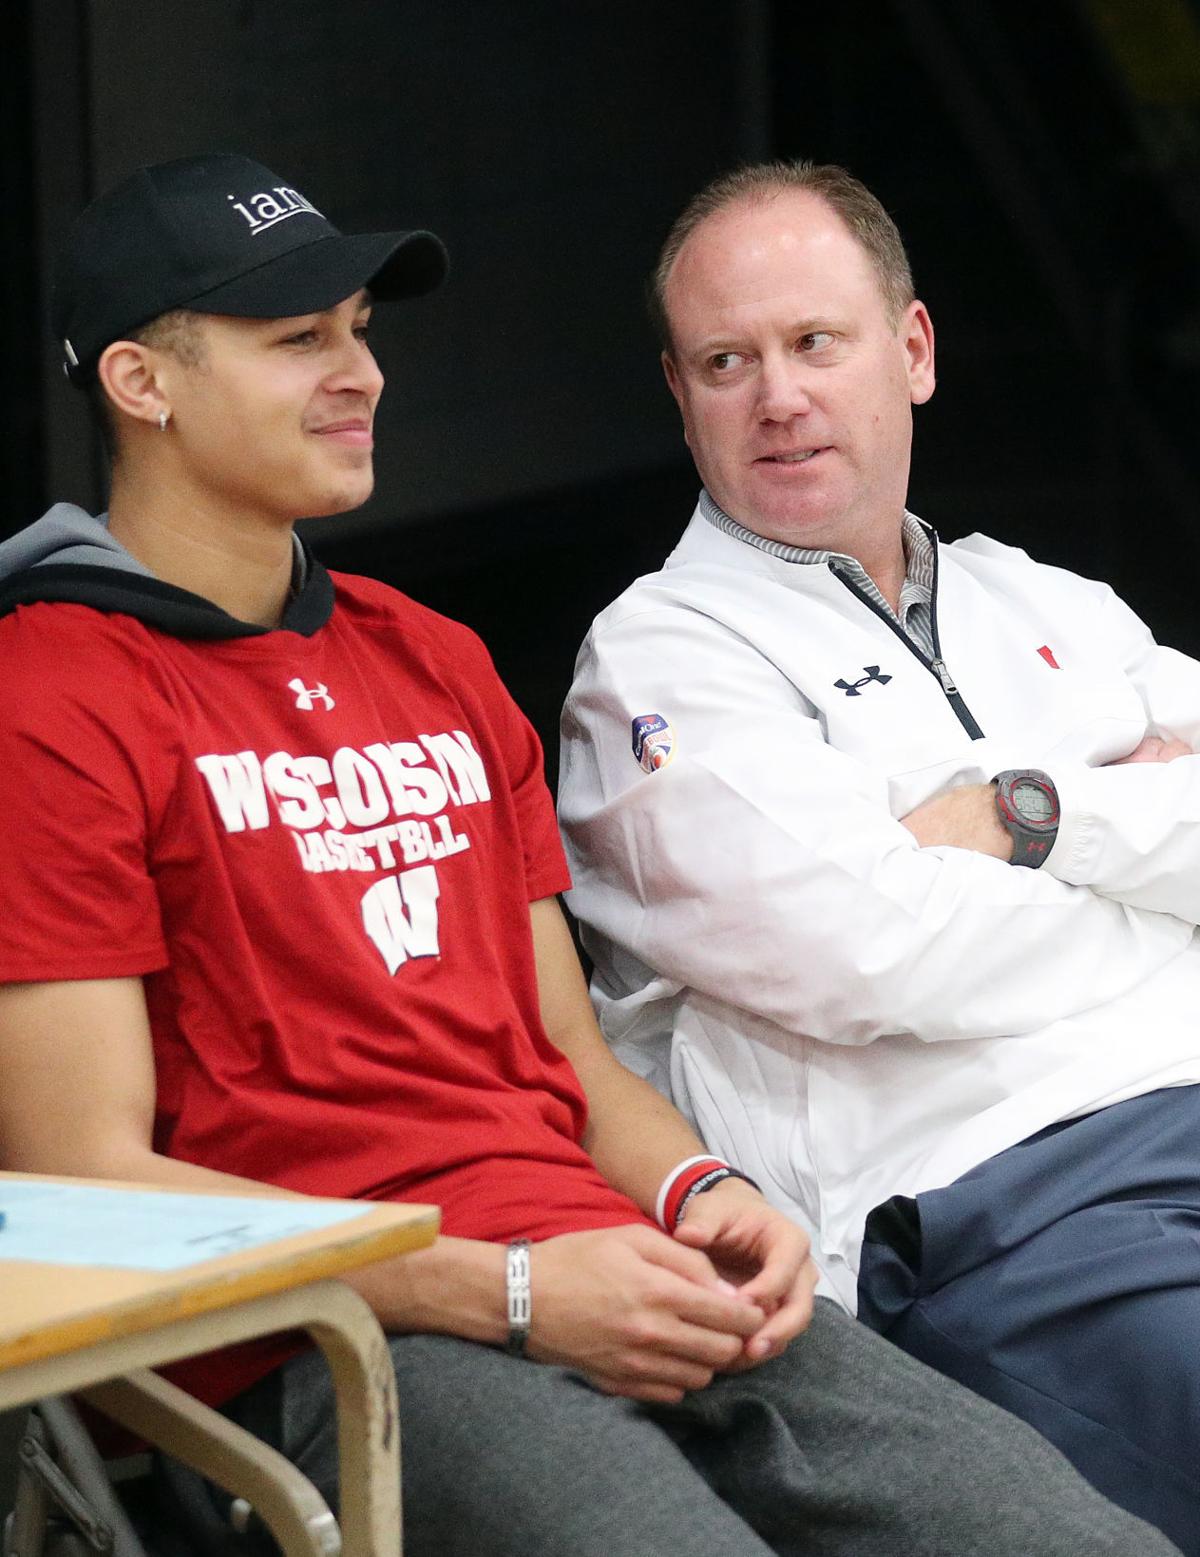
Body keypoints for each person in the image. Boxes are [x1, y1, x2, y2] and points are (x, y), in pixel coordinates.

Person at [0, 155, 1172, 1557]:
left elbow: (572, 1054)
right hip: (324, 1339)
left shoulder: (429, 657)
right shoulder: (49, 693)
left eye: (361, 330)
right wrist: (504, 1289)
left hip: (618, 1265)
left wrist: (710, 1195)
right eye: (297, 337)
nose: (360, 372)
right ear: (143, 383)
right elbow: (81, 1177)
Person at [558, 157, 1200, 1555]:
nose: (778, 395)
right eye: (728, 360)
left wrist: (1032, 814)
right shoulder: (659, 662)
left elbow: (932, 908)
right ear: (679, 396)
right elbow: (873, 948)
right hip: (997, 1211)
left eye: (815, 343)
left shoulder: (1049, 599)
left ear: (910, 352)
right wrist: (1166, 901)